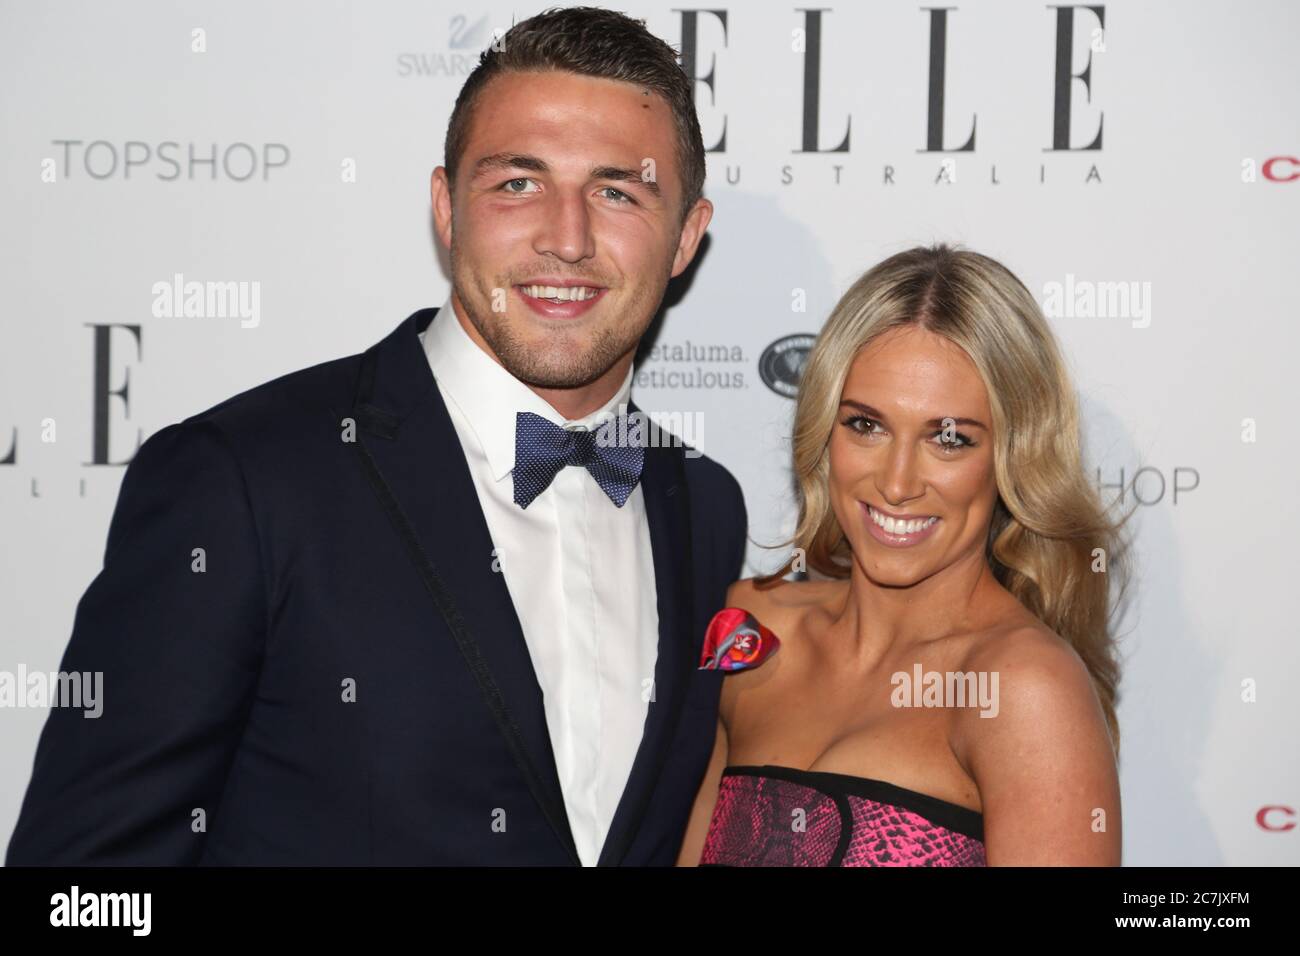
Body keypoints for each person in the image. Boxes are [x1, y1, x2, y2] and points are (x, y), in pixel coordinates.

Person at [6, 6, 746, 866]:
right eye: (517, 183)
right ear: (445, 206)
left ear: (687, 235)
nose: (566, 237)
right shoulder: (245, 481)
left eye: (618, 191)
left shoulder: (703, 504)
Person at [676, 245, 1128, 867]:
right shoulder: (751, 631)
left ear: (1012, 456)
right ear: (823, 428)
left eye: (948, 440)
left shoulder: (1023, 690)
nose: (896, 482)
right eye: (866, 425)